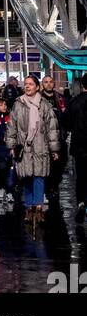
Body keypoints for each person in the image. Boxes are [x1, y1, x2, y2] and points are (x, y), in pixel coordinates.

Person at [6, 72, 60, 227]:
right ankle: (29, 208)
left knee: (39, 177)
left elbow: (52, 129)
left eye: (30, 84)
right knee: (26, 177)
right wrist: (11, 146)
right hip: (24, 147)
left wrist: (54, 149)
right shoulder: (18, 103)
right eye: (26, 84)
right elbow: (12, 126)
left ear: (37, 87)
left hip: (40, 146)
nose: (27, 86)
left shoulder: (45, 105)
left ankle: (38, 208)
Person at [40, 74, 69, 201]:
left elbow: (66, 115)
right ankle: (48, 188)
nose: (48, 84)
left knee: (61, 163)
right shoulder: (39, 98)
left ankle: (55, 184)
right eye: (46, 82)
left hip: (59, 136)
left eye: (51, 81)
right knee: (47, 164)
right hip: (44, 137)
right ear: (42, 84)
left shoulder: (60, 98)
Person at [0, 97, 16, 207]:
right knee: (1, 168)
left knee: (11, 170)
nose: (4, 106)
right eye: (1, 105)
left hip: (9, 149)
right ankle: (1, 189)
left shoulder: (9, 117)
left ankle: (9, 191)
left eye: (5, 104)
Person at [68, 78, 87, 224]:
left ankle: (81, 202)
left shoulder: (75, 102)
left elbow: (66, 122)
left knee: (80, 177)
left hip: (79, 145)